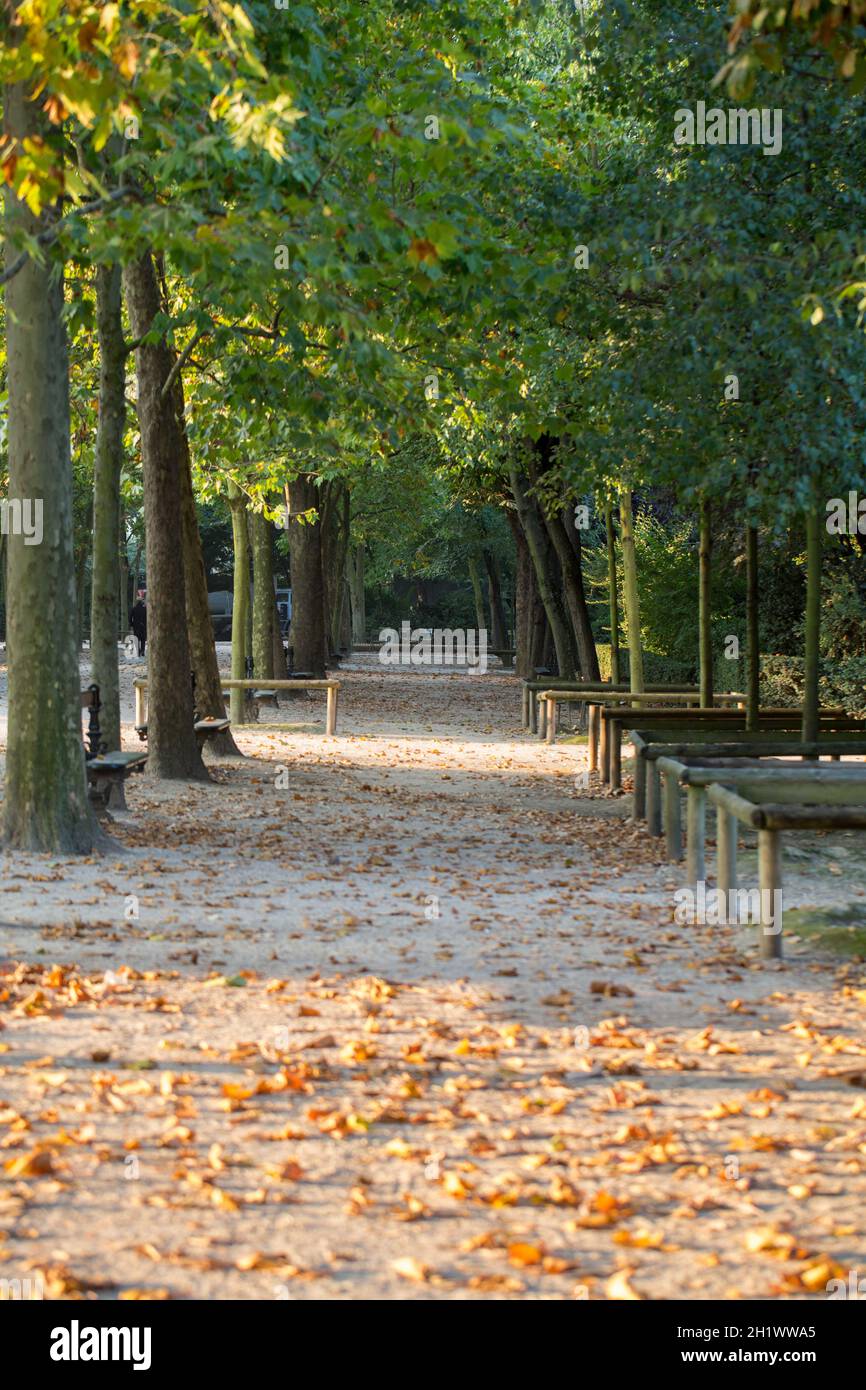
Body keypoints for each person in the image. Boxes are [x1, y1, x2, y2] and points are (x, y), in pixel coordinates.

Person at [129, 591, 147, 658]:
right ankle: (142, 651)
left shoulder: (134, 608)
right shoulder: (145, 609)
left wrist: (131, 625)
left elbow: (130, 617)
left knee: (137, 639)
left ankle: (138, 652)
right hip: (143, 626)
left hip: (136, 627)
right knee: (143, 640)